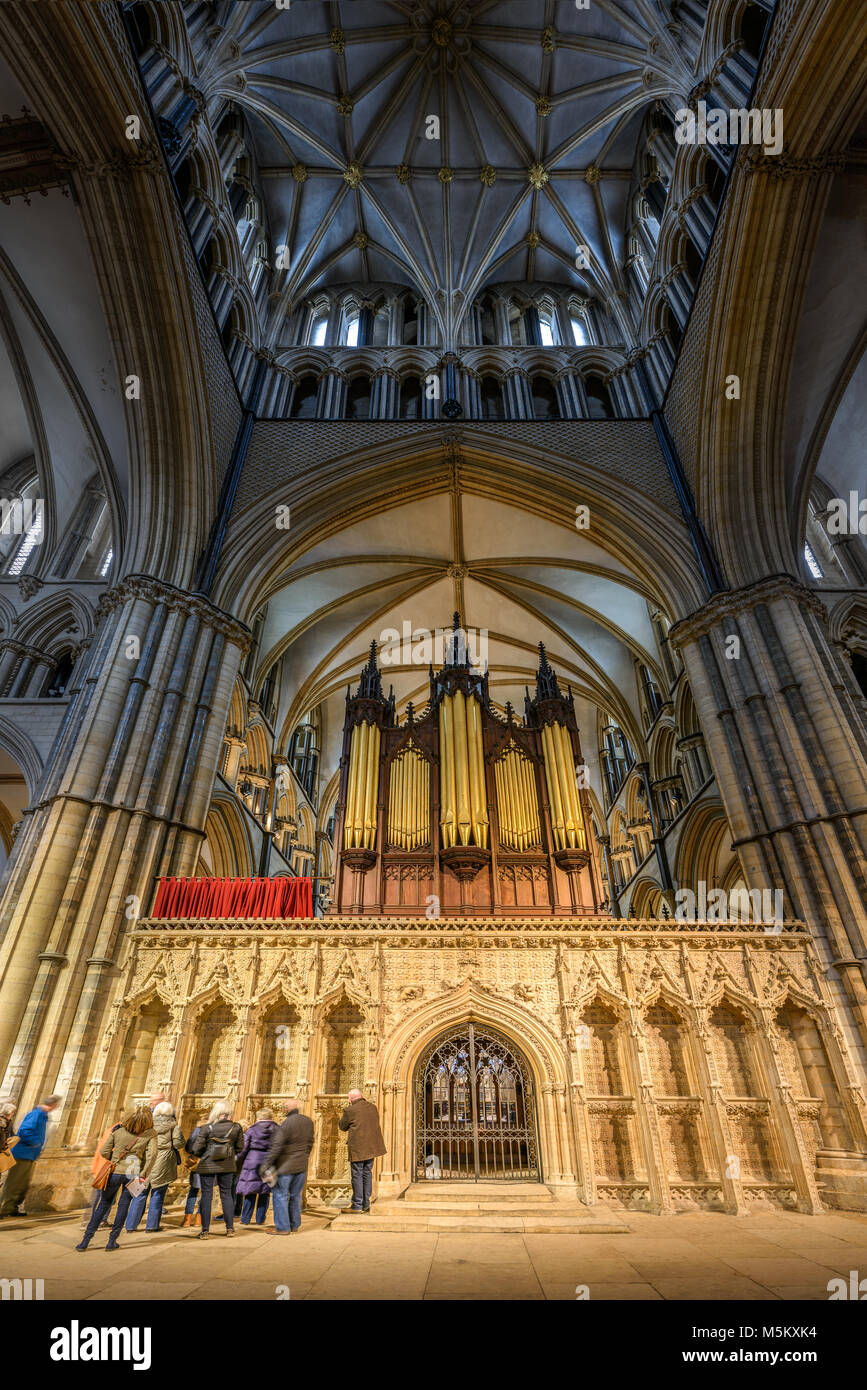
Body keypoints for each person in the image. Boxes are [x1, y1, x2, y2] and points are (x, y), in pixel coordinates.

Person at [76, 1107, 157, 1251]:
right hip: (133, 1173)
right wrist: (144, 1173)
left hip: (115, 1172)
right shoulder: (150, 1134)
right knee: (124, 1206)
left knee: (103, 1204)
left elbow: (104, 1151)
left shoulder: (118, 1131)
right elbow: (152, 1156)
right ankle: (111, 1241)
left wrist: (114, 1159)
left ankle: (85, 1241)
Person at [126, 1101, 184, 1232]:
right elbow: (179, 1143)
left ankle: (130, 1225)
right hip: (164, 1159)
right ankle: (152, 1226)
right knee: (158, 1192)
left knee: (140, 1192)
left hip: (147, 1158)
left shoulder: (147, 1124)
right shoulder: (173, 1125)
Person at [188, 1101, 243, 1238]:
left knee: (206, 1195)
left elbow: (196, 1148)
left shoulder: (207, 1128)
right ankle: (230, 1229)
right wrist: (228, 1155)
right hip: (227, 1165)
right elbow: (240, 1147)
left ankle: (205, 1230)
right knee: (227, 1195)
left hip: (207, 1165)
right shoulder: (236, 1127)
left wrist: (206, 1154)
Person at [0, 1095, 61, 1218]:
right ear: (53, 1104)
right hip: (22, 1153)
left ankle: (12, 1208)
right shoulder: (36, 1114)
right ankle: (5, 1208)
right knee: (14, 1182)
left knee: (22, 1184)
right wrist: (37, 1143)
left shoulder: (43, 1115)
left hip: (30, 1155)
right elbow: (25, 1131)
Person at [264, 1098, 314, 1234]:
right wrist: (304, 1156)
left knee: (280, 1195)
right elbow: (310, 1142)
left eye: (283, 1107)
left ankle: (282, 1227)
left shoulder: (286, 1123)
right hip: (301, 1165)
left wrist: (266, 1164)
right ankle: (294, 1225)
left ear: (286, 1109)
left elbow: (276, 1146)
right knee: (295, 1196)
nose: (282, 1110)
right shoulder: (308, 1121)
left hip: (285, 1167)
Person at [122, 1090, 169, 1230]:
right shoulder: (149, 1116)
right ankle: (136, 1224)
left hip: (145, 1160)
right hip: (145, 1160)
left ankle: (131, 1224)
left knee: (141, 1192)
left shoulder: (149, 1117)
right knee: (139, 1192)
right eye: (155, 1100)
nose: (152, 1103)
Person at [338, 1088, 386, 1215]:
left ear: (351, 1099)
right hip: (371, 1147)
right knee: (367, 1173)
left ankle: (357, 1205)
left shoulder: (350, 1110)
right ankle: (366, 1204)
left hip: (358, 1148)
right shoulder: (373, 1107)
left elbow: (342, 1126)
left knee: (357, 1175)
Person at [236, 1108, 278, 1226]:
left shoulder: (252, 1130)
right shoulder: (278, 1129)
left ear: (258, 1118)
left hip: (252, 1161)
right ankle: (260, 1219)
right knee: (265, 1191)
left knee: (250, 1191)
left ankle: (245, 1219)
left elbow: (244, 1148)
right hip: (270, 1162)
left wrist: (237, 1159)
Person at [181, 1112, 209, 1227]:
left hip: (197, 1163)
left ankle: (187, 1220)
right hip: (209, 1164)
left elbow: (188, 1147)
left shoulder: (197, 1130)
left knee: (193, 1191)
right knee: (205, 1192)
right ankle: (199, 1219)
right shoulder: (214, 1130)